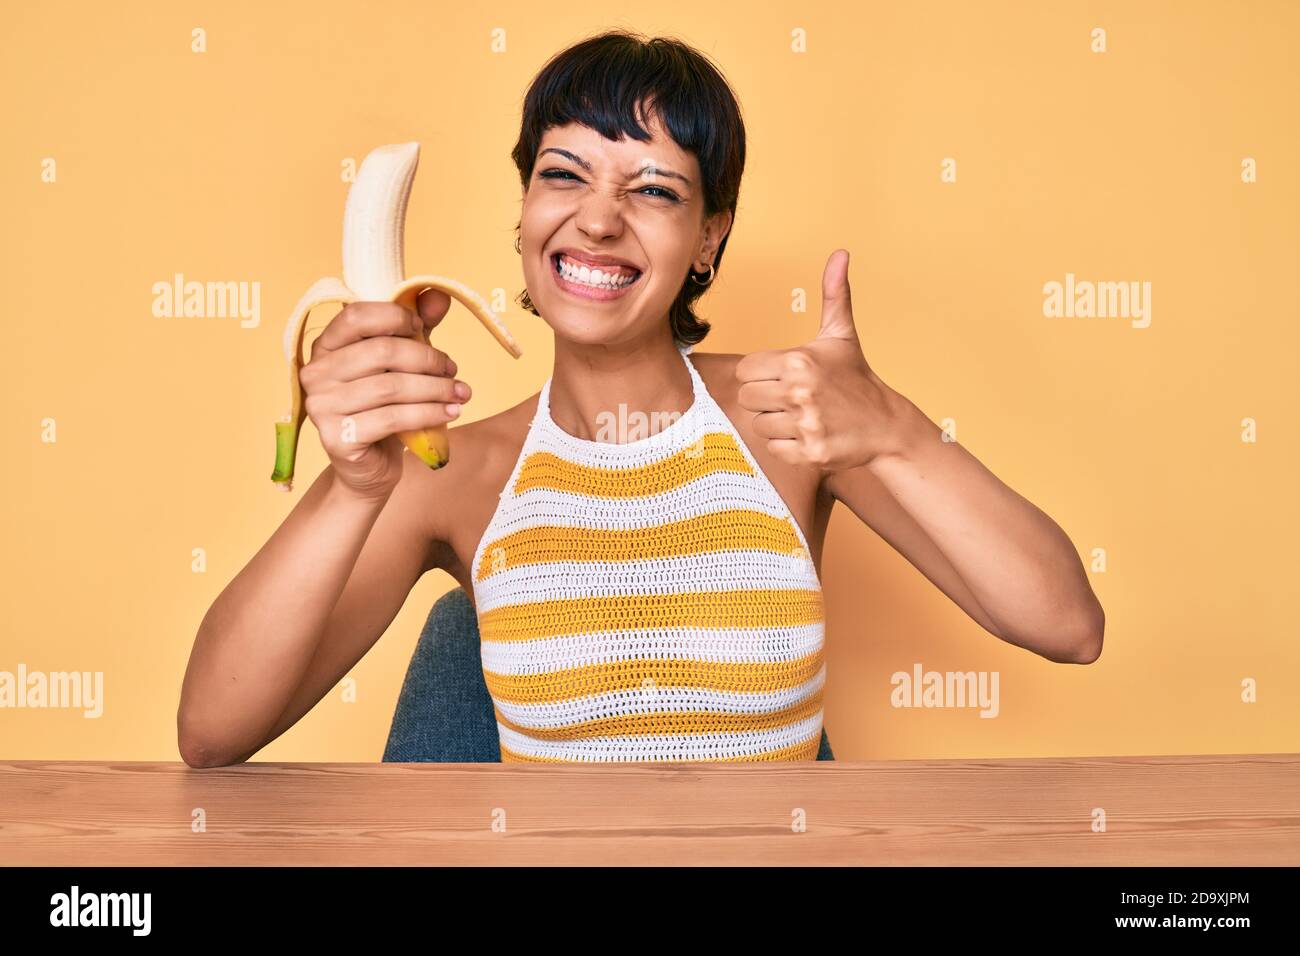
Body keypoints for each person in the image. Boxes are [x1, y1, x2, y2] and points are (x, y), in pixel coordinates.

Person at [178, 29, 1104, 767]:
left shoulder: (793, 414)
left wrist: (897, 431)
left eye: (653, 189)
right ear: (525, 215)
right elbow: (212, 733)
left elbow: (1065, 624)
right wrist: (351, 485)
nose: (597, 217)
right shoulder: (451, 472)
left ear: (709, 237)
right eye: (563, 173)